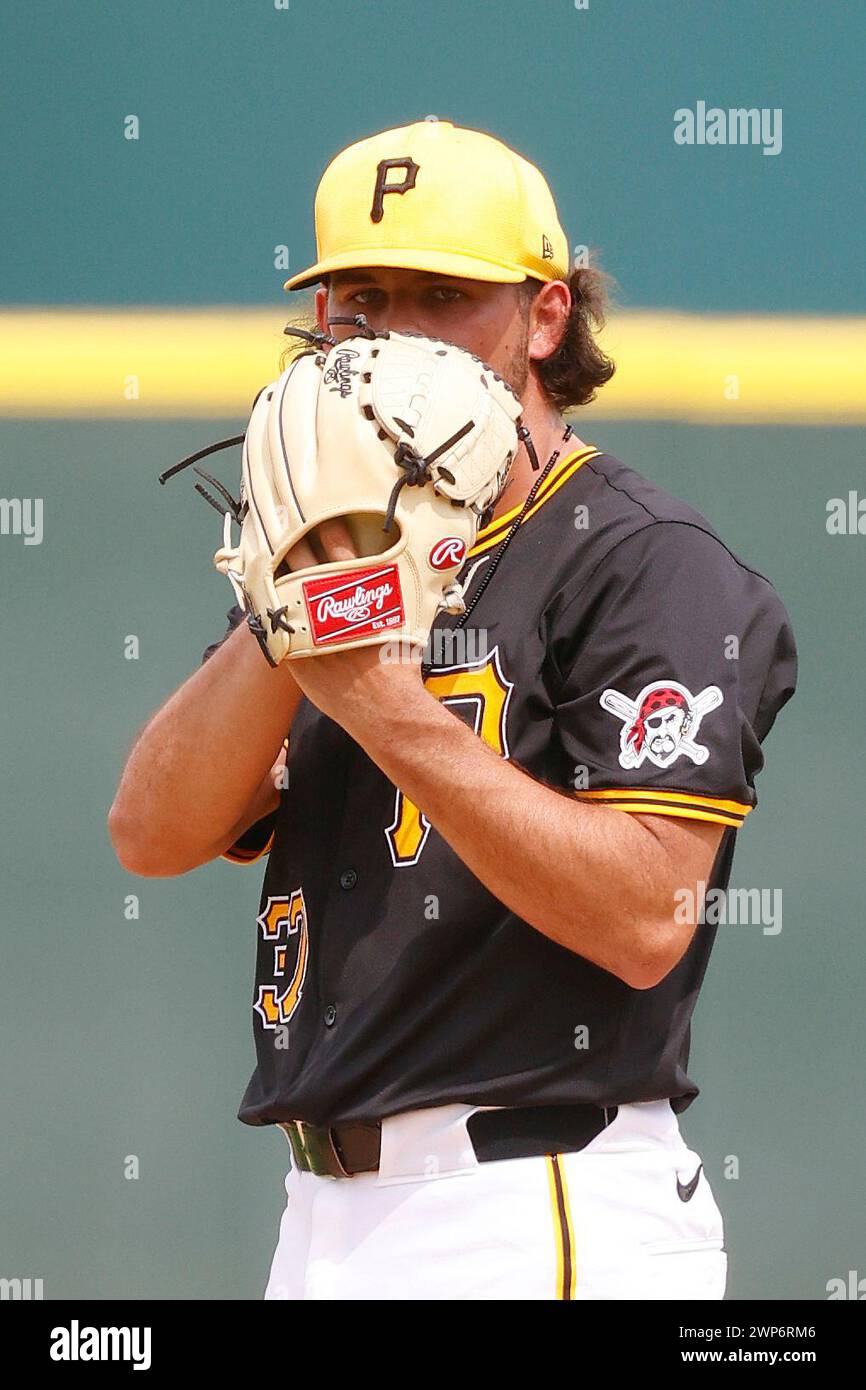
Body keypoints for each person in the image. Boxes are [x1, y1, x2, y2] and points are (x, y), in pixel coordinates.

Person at [109, 117, 797, 1300]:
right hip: (322, 1212)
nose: (393, 333)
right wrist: (292, 614)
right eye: (359, 299)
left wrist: (380, 706)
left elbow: (645, 913)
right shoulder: (334, 548)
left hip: (534, 1200)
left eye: (441, 293)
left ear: (544, 314)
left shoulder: (642, 562)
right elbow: (152, 832)